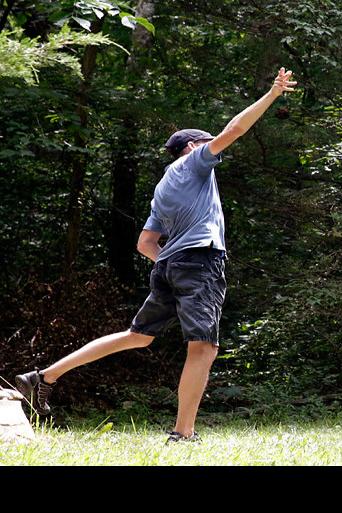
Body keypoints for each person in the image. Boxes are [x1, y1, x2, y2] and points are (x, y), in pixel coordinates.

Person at [15, 67, 298, 444]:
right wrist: (273, 93)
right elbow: (235, 130)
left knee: (138, 335)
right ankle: (183, 434)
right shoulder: (194, 163)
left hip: (171, 266)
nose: (217, 147)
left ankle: (43, 377)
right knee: (204, 345)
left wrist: (172, 264)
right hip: (199, 262)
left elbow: (146, 243)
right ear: (194, 147)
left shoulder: (163, 187)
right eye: (209, 143)